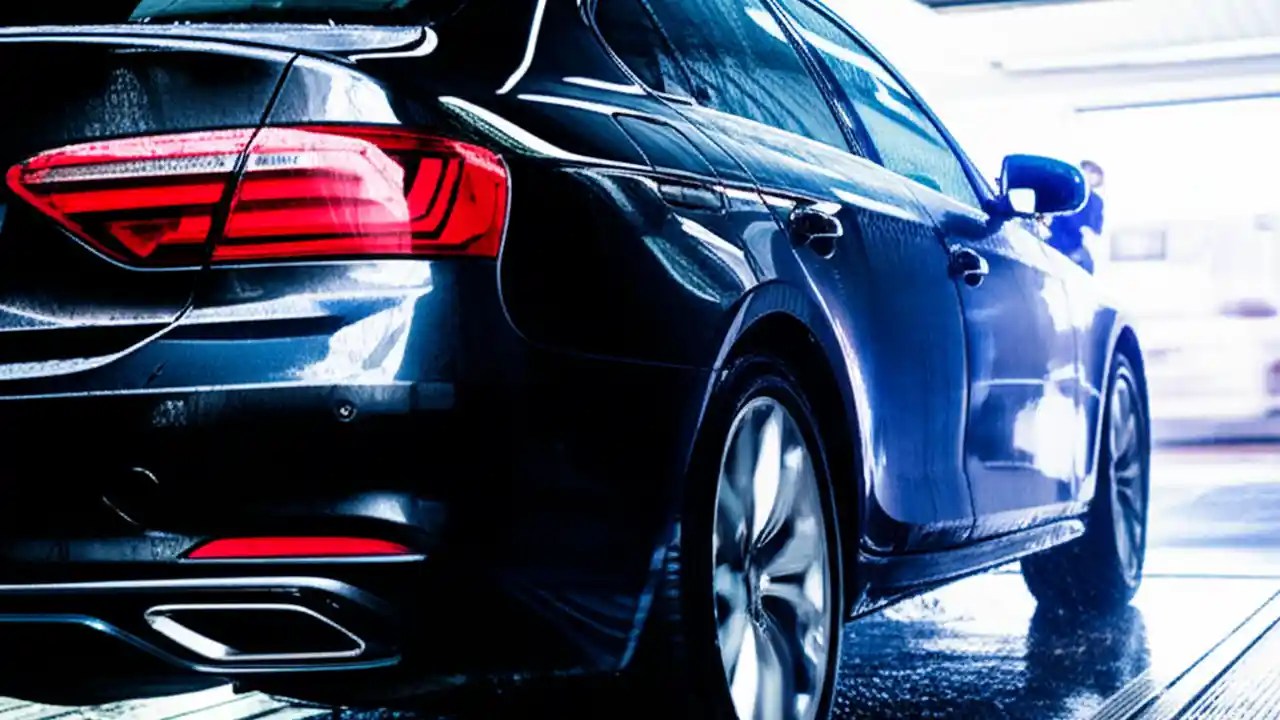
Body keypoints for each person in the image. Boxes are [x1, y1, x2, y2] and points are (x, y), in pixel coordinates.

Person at [1046, 160, 1106, 274]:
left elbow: (1097, 228)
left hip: (1076, 247)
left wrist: (1089, 232)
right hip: (1053, 244)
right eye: (1086, 170)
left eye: (1093, 172)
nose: (1089, 175)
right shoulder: (1064, 192)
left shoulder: (1096, 202)